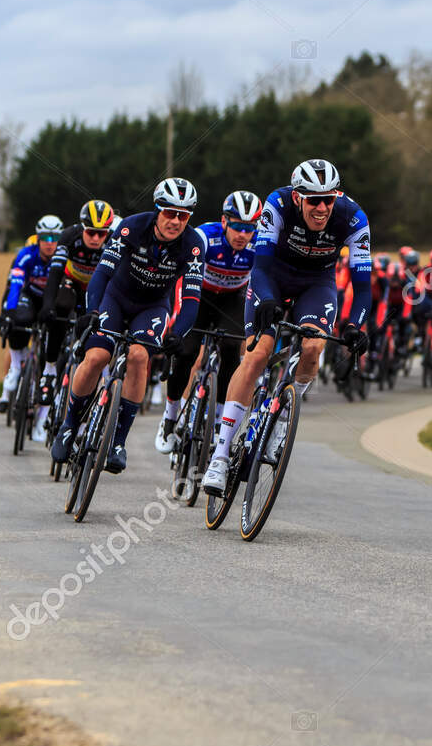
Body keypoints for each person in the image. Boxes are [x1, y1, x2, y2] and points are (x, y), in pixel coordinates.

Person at [200, 159, 372, 495]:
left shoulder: (354, 218)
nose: (322, 207)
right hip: (273, 278)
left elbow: (362, 286)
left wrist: (355, 325)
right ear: (297, 198)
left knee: (312, 347)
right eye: (313, 200)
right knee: (257, 353)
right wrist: (265, 299)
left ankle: (282, 418)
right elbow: (260, 267)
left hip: (316, 283)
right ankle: (219, 456)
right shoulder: (276, 204)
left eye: (328, 199)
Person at [49, 179, 205, 474]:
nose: (175, 221)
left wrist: (178, 334)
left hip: (152, 307)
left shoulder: (193, 245)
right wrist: (93, 310)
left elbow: (192, 299)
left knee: (138, 357)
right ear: (158, 210)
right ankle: (69, 426)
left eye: (183, 216)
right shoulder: (132, 228)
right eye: (170, 213)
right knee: (96, 357)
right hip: (115, 298)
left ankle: (118, 441)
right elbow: (102, 274)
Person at [154, 190, 262, 453]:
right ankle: (169, 417)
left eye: (249, 228)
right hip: (199, 296)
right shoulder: (205, 236)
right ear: (224, 222)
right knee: (187, 351)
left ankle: (217, 421)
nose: (242, 235)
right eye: (236, 226)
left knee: (229, 350)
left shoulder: (259, 244)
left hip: (232, 300)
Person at [34, 199, 115, 434]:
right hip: (71, 283)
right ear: (82, 227)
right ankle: (49, 371)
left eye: (101, 234)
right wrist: (47, 306)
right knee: (59, 307)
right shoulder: (69, 237)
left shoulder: (113, 243)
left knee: (96, 327)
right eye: (91, 232)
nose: (96, 239)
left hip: (97, 290)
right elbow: (54, 275)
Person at [0, 215, 62, 414]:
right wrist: (8, 312)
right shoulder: (26, 255)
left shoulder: (63, 257)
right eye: (45, 239)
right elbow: (14, 286)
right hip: (31, 296)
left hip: (52, 299)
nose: (50, 244)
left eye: (54, 239)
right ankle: (16, 367)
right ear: (38, 238)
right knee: (18, 320)